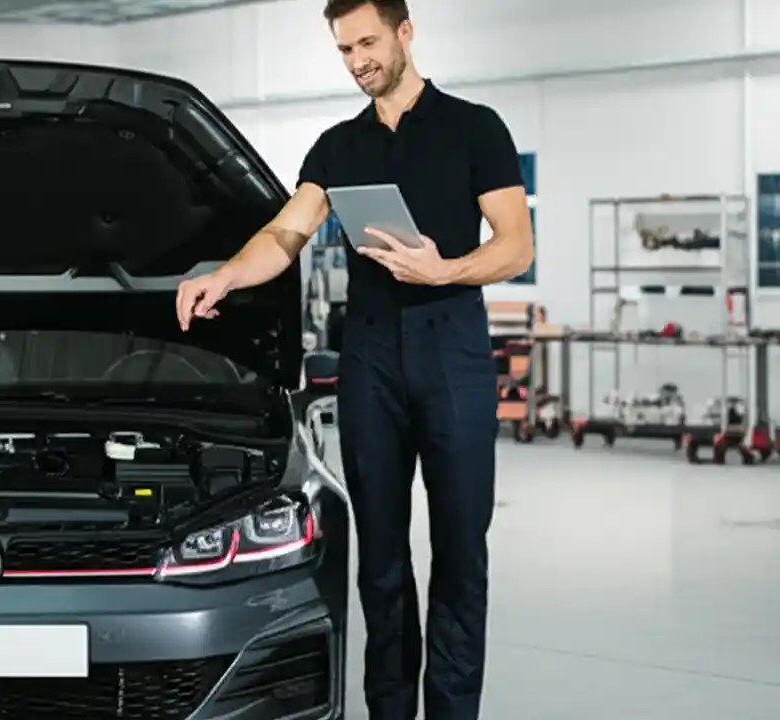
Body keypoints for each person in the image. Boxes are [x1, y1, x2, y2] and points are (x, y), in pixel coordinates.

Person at [175, 1, 533, 718]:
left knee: (461, 556)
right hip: (370, 358)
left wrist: (445, 269)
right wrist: (226, 274)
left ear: (405, 32)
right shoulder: (338, 146)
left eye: (368, 42)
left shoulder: (475, 128)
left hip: (453, 351)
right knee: (382, 564)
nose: (358, 61)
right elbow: (285, 234)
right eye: (344, 49)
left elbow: (516, 245)